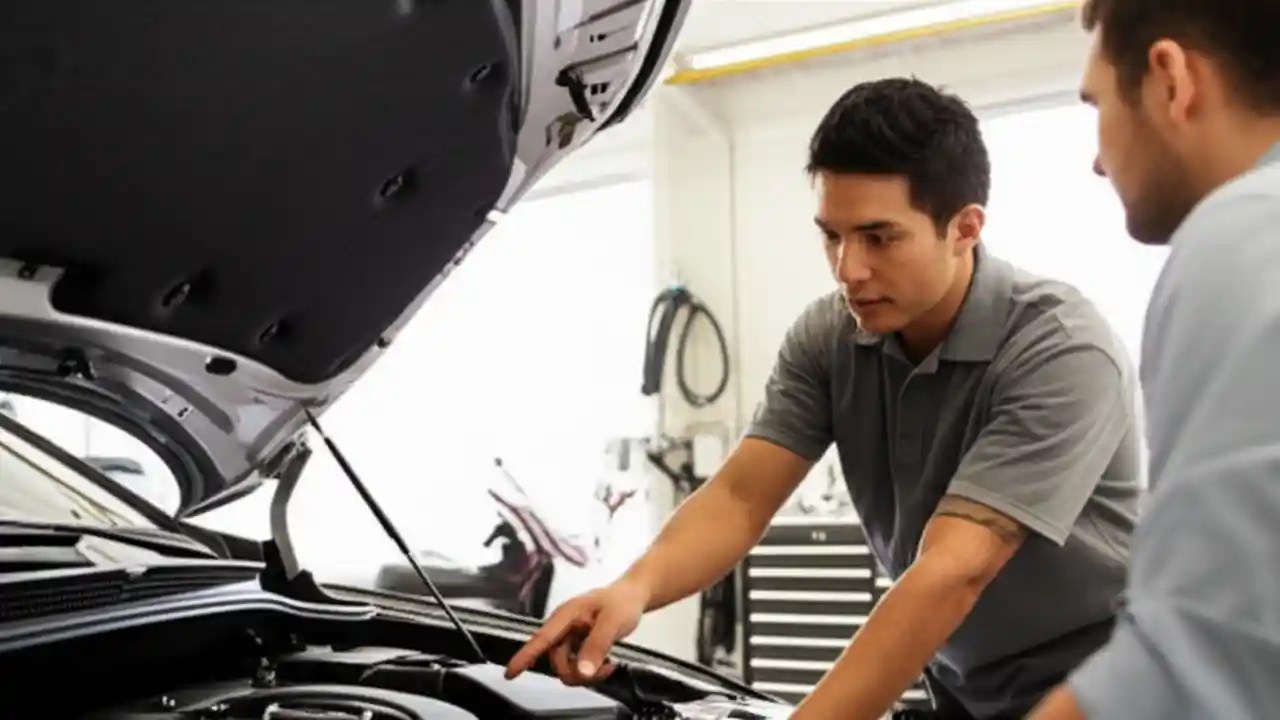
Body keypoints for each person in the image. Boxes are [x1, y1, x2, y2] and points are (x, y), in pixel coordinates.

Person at [504, 77, 1143, 719]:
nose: (847, 269)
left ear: (964, 228)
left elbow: (955, 570)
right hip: (963, 692)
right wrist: (632, 589)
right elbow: (740, 496)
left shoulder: (1060, 349)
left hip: (1108, 690)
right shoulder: (830, 336)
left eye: (878, 237)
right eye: (831, 235)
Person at [1030, 1, 1280, 718]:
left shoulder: (1247, 232)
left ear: (1172, 80)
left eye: (1098, 103)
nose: (1098, 157)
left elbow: (1191, 674)